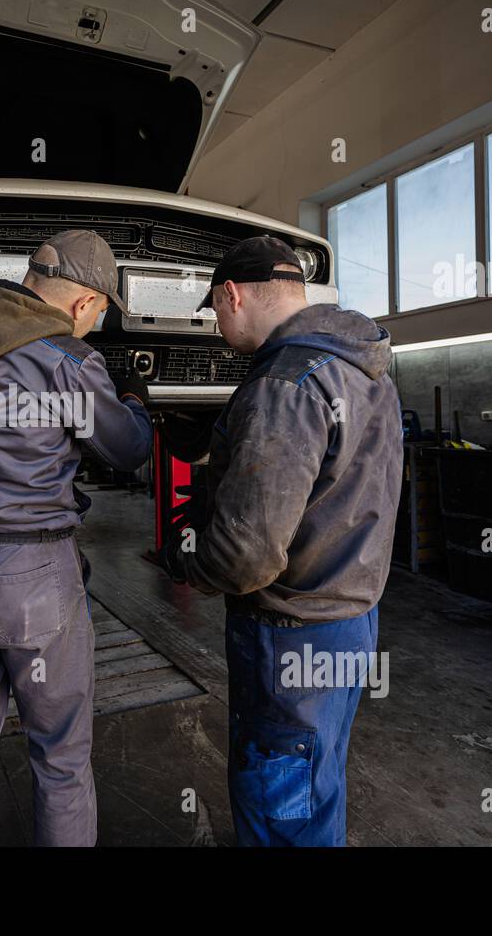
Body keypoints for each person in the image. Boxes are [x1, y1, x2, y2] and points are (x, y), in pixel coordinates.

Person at [0, 230, 152, 846]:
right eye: (99, 313)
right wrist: (134, 403)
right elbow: (126, 450)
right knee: (61, 761)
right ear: (83, 304)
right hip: (36, 578)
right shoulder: (66, 360)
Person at [163, 235, 401, 846]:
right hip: (349, 617)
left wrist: (185, 554)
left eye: (214, 311)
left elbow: (246, 557)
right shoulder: (360, 366)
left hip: (288, 634)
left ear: (232, 294)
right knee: (315, 784)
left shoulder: (284, 383)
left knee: (279, 803)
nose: (217, 325)